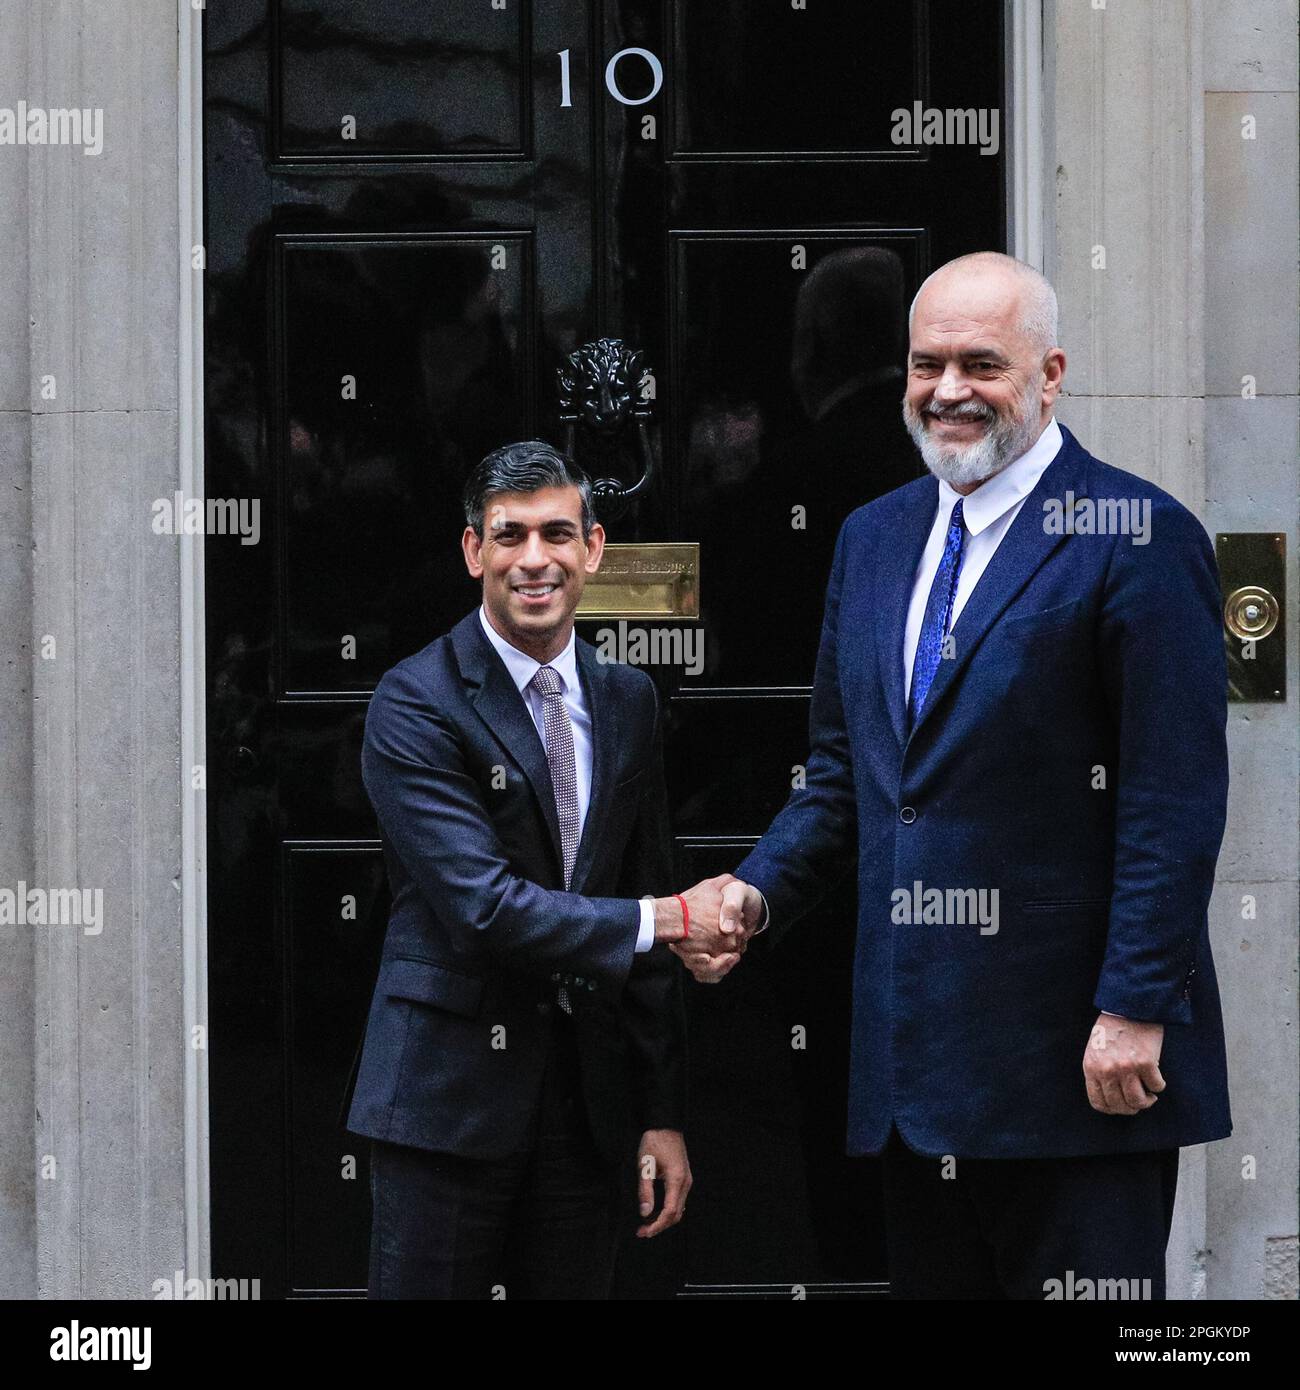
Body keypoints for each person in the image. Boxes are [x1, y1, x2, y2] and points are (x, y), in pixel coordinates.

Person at [678, 252, 1232, 1300]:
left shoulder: (1137, 536)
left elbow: (1172, 798)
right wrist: (755, 892)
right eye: (926, 364)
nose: (948, 391)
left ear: (1051, 373)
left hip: (1078, 1065)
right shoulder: (873, 538)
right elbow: (847, 775)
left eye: (982, 364)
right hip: (911, 1069)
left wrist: (1134, 1005)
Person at [345, 440, 739, 1298]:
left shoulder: (628, 700)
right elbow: (485, 908)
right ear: (472, 550)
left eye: (557, 534)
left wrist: (661, 1114)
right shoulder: (415, 702)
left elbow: (643, 885)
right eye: (510, 535)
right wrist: (672, 919)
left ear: (592, 549)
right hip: (447, 1105)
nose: (535, 560)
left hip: (584, 1116)